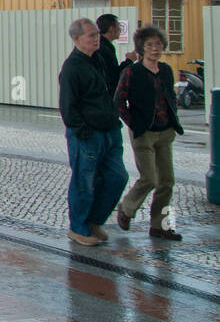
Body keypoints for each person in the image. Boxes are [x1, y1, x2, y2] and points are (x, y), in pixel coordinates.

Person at [59, 18, 130, 247]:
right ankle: (78, 228)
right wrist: (83, 130)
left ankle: (94, 221)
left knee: (118, 177)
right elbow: (68, 107)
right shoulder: (72, 68)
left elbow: (114, 81)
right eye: (91, 35)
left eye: (97, 34)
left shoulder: (100, 59)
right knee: (84, 182)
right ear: (77, 38)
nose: (96, 38)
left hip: (110, 130)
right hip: (88, 135)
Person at [114, 24, 183, 240]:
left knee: (167, 182)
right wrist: (132, 123)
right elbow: (118, 100)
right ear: (142, 48)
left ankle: (159, 226)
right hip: (143, 132)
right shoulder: (132, 72)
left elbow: (169, 96)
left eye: (159, 44)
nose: (155, 48)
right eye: (150, 45)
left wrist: (173, 120)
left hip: (165, 131)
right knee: (150, 179)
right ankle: (126, 209)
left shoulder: (165, 70)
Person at [95, 13, 135, 94]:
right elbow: (114, 75)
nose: (120, 30)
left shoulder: (105, 45)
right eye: (119, 26)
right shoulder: (103, 48)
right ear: (111, 28)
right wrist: (129, 60)